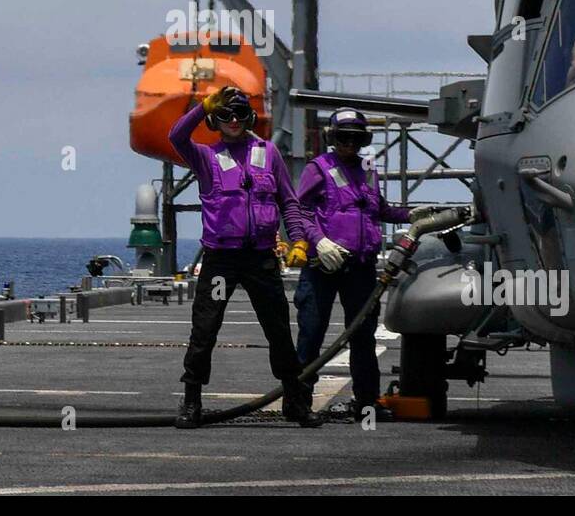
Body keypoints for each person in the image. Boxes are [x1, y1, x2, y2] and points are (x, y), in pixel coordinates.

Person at [170, 85, 322, 429]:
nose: (234, 120)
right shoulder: (206, 157)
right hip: (221, 260)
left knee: (279, 330)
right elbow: (176, 136)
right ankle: (192, 401)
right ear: (215, 120)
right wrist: (201, 106)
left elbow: (289, 202)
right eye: (225, 114)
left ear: (250, 117)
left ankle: (295, 402)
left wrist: (298, 240)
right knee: (205, 330)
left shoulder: (268, 153)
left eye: (239, 113)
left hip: (260, 259)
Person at [292, 108, 411, 421]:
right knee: (311, 333)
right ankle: (299, 403)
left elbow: (379, 209)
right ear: (333, 138)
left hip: (360, 267)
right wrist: (319, 241)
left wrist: (415, 215)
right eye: (343, 137)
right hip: (323, 267)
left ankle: (367, 403)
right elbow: (299, 211)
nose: (349, 144)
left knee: (362, 336)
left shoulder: (368, 169)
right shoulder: (318, 168)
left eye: (355, 138)